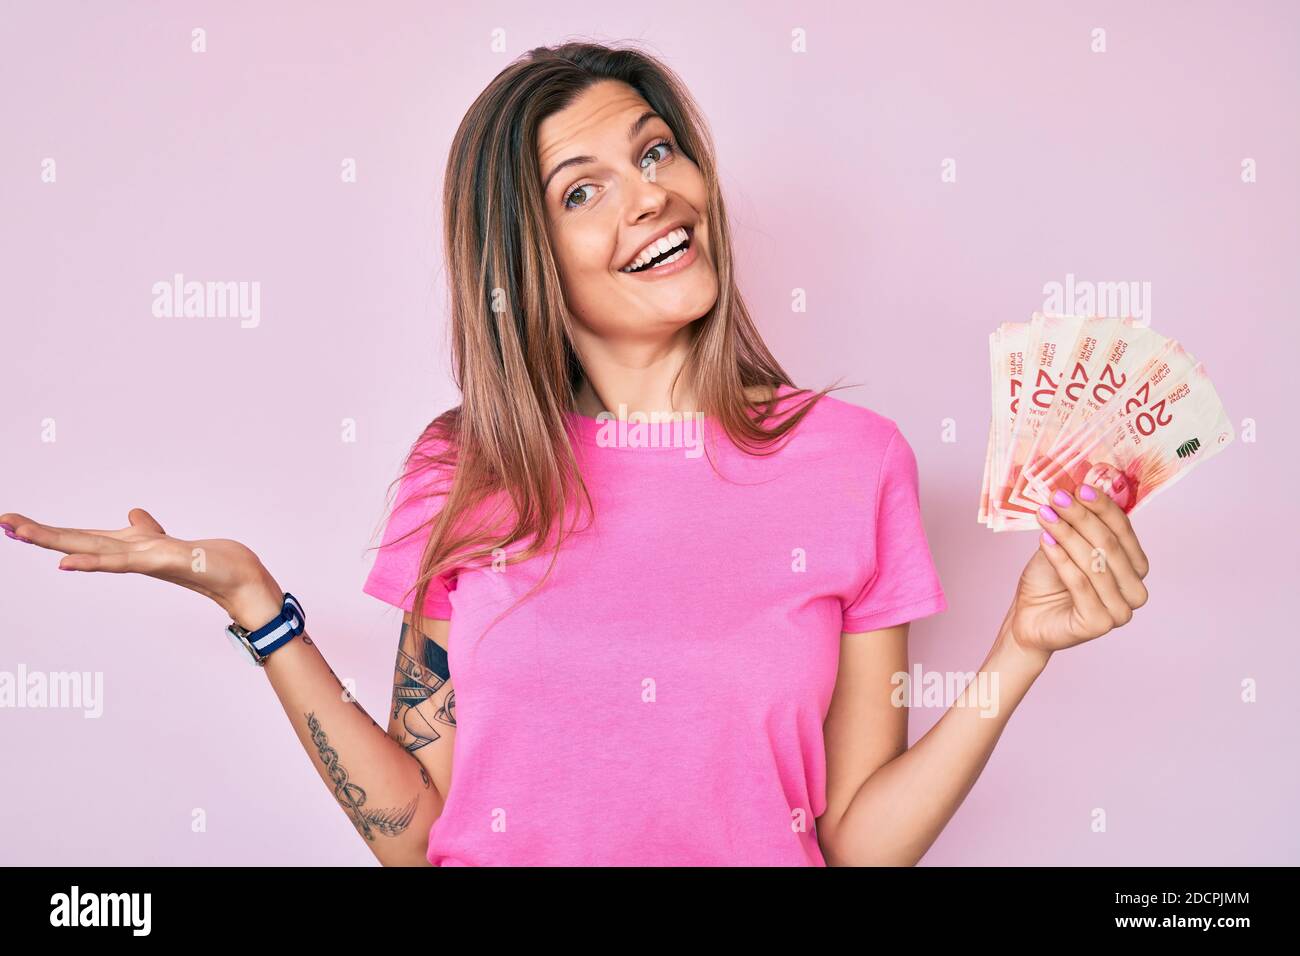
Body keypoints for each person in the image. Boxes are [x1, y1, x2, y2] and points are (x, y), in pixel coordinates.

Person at [1, 41, 1150, 867]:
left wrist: (1017, 650)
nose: (650, 194)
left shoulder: (852, 461)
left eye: (656, 152)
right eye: (584, 188)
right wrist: (256, 603)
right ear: (527, 254)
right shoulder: (464, 466)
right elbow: (415, 829)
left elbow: (857, 839)